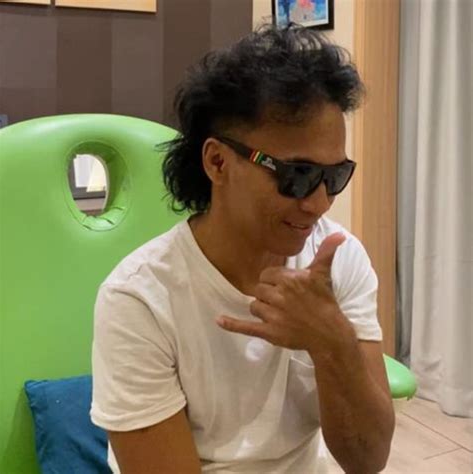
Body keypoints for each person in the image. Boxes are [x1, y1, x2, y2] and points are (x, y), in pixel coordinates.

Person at [90, 24, 395, 474]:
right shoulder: (139, 299)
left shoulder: (338, 260)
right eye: (297, 175)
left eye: (334, 177)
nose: (319, 203)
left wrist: (332, 342)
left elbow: (367, 460)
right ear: (217, 162)